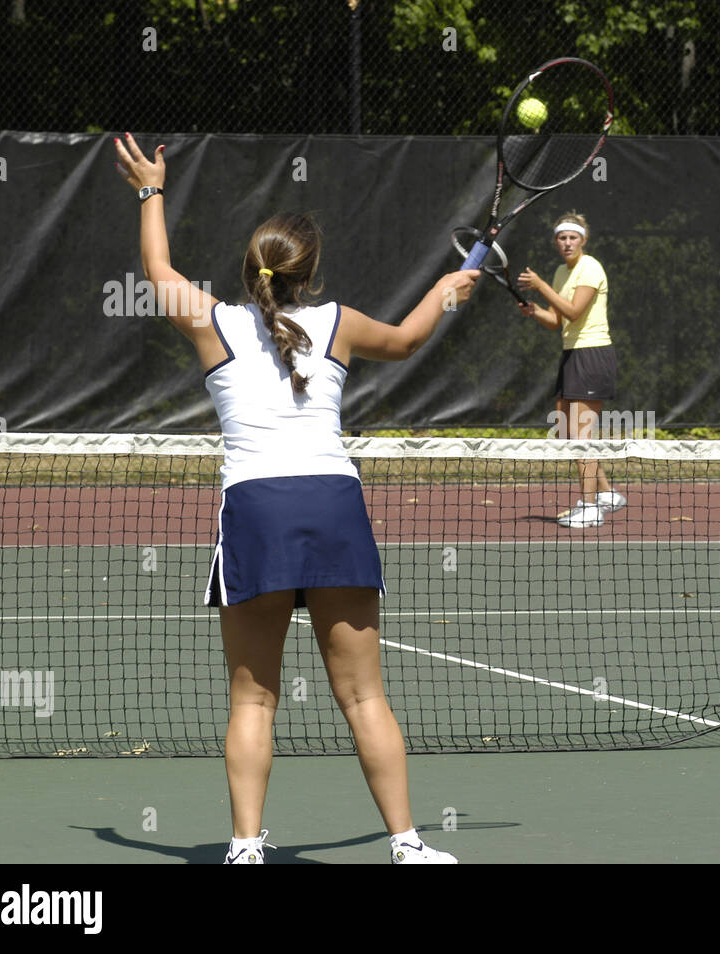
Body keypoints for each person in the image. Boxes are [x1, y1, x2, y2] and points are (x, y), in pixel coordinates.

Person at [113, 132, 478, 864]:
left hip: (258, 512)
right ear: (309, 275)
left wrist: (152, 190)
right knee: (365, 697)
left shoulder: (211, 321)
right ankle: (408, 845)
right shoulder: (339, 322)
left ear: (252, 267)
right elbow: (408, 341)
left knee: (252, 700)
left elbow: (155, 268)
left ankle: (244, 849)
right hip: (333, 508)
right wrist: (444, 292)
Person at [516, 212, 626, 528]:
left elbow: (575, 313)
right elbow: (557, 321)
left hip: (592, 355)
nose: (567, 243)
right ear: (556, 241)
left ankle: (590, 508)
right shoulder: (560, 273)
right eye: (562, 238)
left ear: (583, 240)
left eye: (572, 237)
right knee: (567, 432)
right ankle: (606, 494)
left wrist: (539, 287)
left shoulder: (590, 267)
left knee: (581, 437)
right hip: (571, 356)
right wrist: (535, 309)